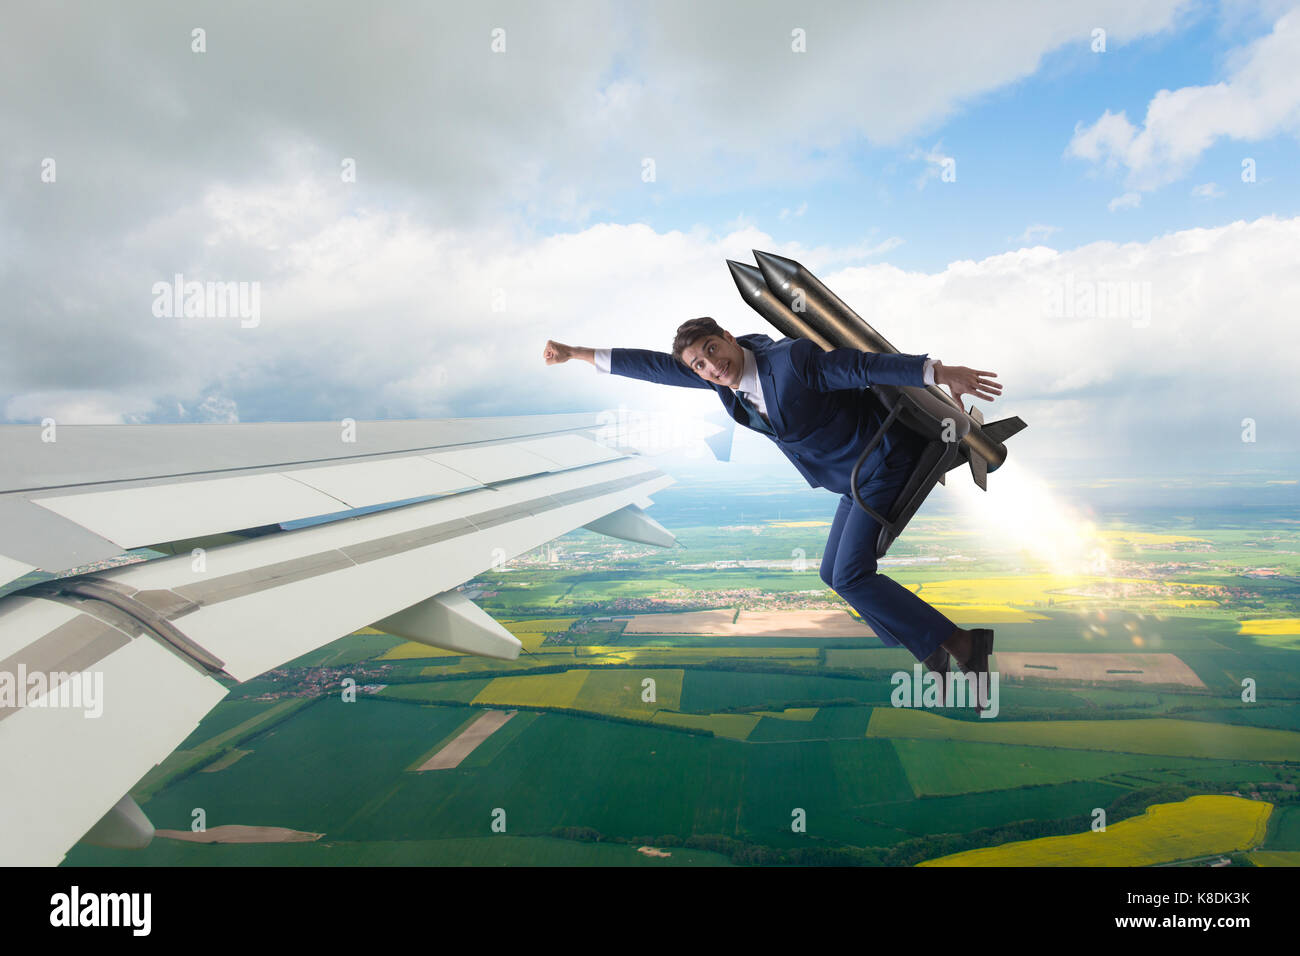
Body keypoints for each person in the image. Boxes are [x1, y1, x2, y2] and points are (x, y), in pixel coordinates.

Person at [544, 317, 1001, 706]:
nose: (711, 365)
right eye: (699, 364)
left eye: (711, 349)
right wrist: (576, 353)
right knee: (830, 575)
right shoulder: (723, 381)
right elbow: (655, 367)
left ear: (727, 335)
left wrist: (938, 371)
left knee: (851, 577)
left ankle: (961, 644)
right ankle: (932, 646)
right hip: (850, 478)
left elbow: (859, 365)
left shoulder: (791, 361)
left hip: (881, 461)